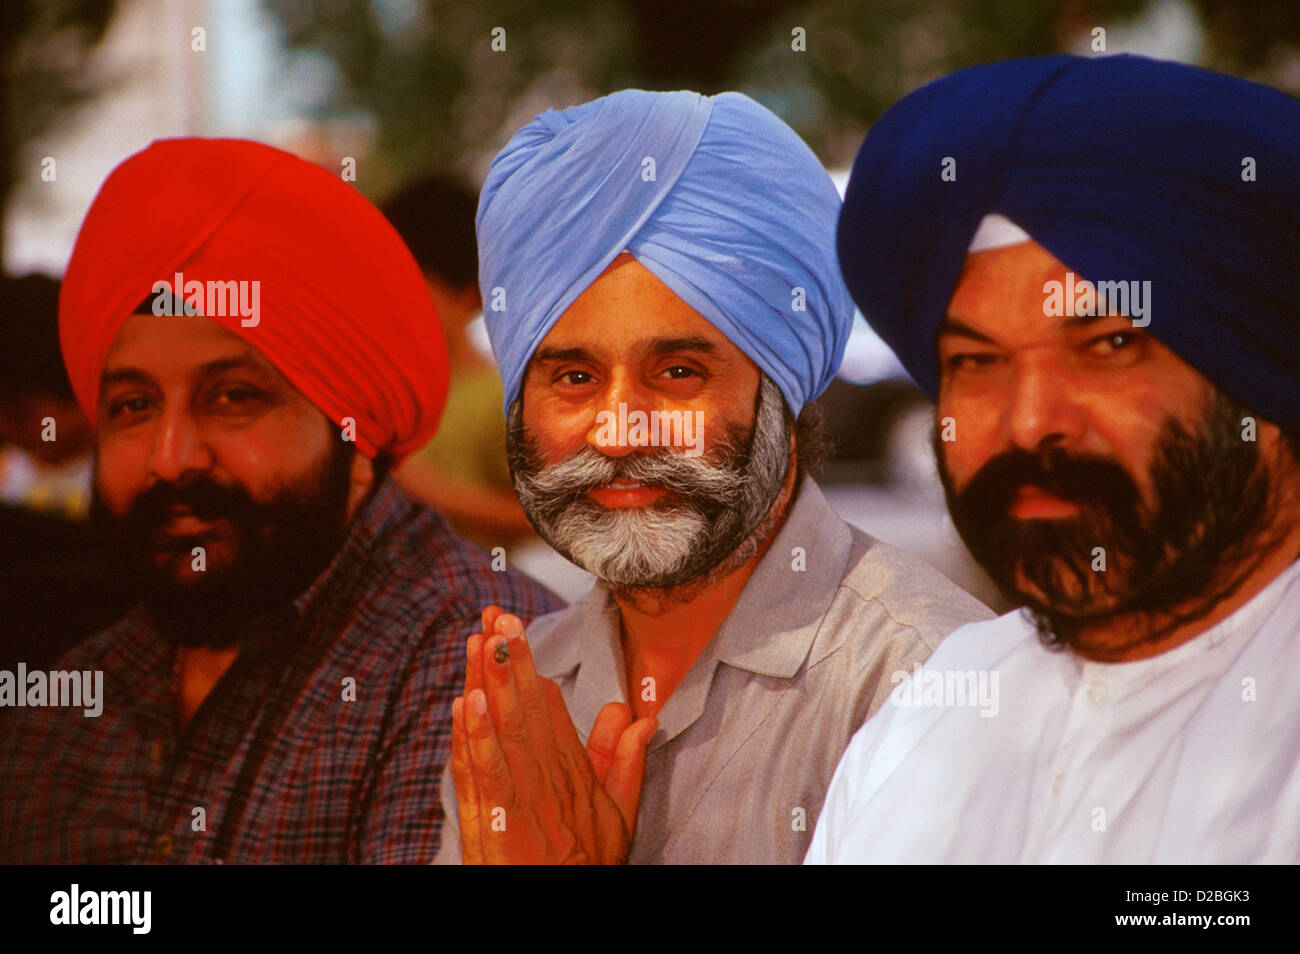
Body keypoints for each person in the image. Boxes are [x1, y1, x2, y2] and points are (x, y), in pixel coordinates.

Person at [435, 90, 993, 864]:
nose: (620, 428)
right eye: (573, 378)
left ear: (782, 385)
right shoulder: (523, 701)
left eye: (678, 370)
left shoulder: (926, 683)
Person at [0, 138, 562, 864]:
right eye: (134, 405)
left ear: (350, 423)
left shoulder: (476, 664)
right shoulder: (79, 690)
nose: (171, 458)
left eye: (232, 398)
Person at [809, 54, 1300, 863]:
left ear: (1262, 378)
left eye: (1108, 345)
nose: (1030, 423)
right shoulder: (930, 717)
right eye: (977, 360)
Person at [381, 176, 534, 548]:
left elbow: (539, 517)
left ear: (467, 294)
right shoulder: (381, 389)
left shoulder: (499, 397)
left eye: (413, 286)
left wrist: (431, 490)